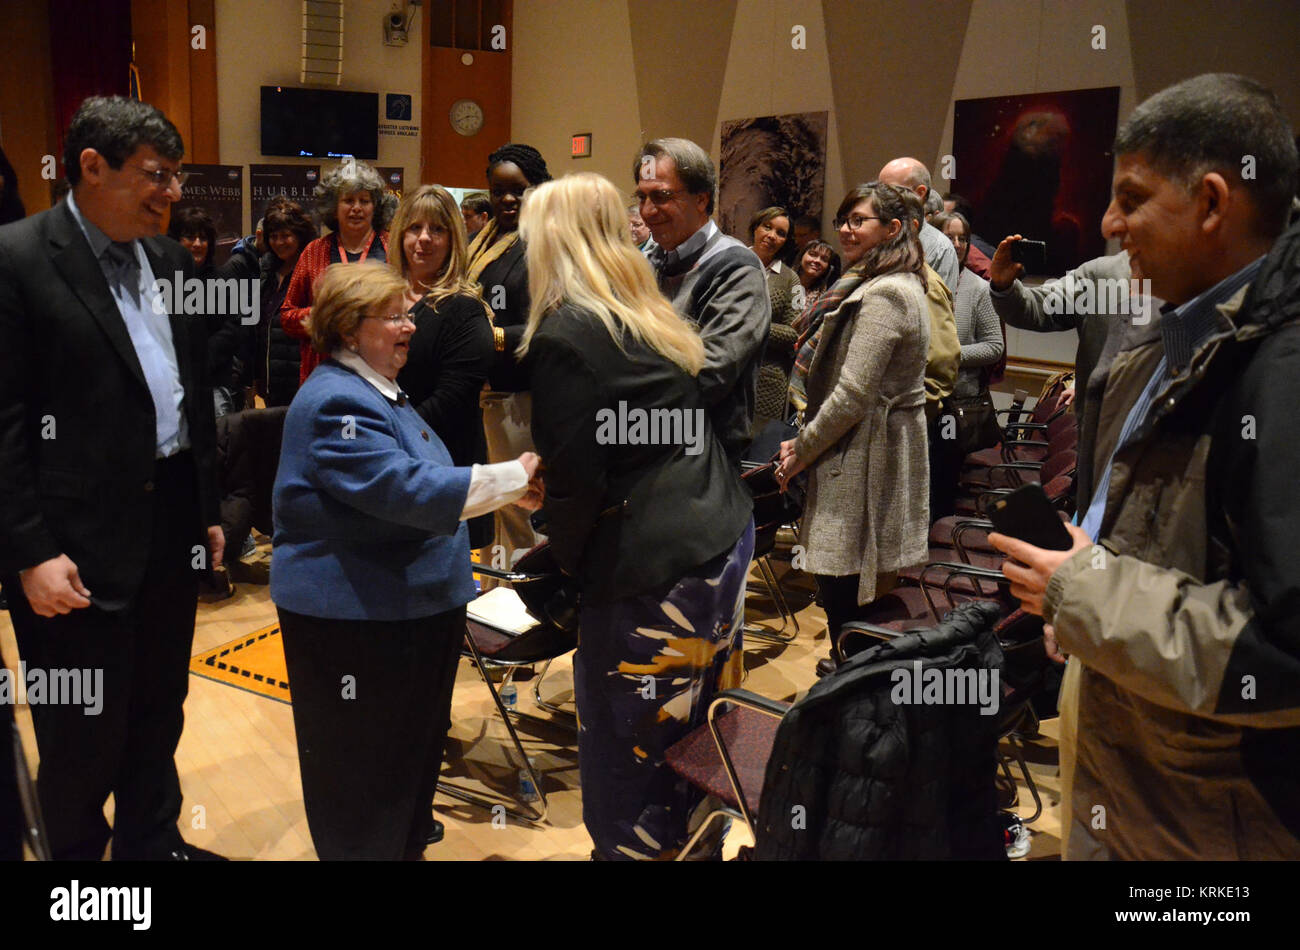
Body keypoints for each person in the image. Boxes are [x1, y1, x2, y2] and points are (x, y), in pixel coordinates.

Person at [988, 73, 1300, 860]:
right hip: (1129, 768)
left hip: (1212, 821)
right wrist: (1079, 591)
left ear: (1212, 203)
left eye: (1131, 197)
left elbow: (1287, 649)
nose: (1108, 221)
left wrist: (1085, 591)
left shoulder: (1283, 369)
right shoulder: (1161, 333)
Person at [0, 96, 224, 861]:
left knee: (159, 707)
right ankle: (77, 874)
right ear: (91, 167)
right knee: (83, 727)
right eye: (154, 176)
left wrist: (207, 509)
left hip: (166, 526)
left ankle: (150, 847)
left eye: (176, 176)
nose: (171, 194)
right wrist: (29, 552)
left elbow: (189, 387)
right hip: (72, 547)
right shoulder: (18, 258)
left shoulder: (167, 259)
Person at [518, 172, 753, 860]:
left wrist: (556, 539)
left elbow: (578, 485)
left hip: (651, 570)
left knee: (631, 755)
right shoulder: (644, 309)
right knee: (700, 732)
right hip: (717, 535)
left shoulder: (567, 333)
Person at [271, 261, 539, 860]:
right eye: (392, 316)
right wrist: (511, 478)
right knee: (362, 771)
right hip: (357, 622)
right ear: (347, 331)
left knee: (405, 759)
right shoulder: (337, 403)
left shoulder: (379, 390)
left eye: (408, 313)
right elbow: (405, 490)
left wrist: (506, 485)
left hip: (408, 610)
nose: (409, 327)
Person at [776, 182, 931, 670]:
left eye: (858, 220)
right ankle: (849, 679)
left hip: (864, 452)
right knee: (856, 591)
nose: (845, 228)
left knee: (848, 590)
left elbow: (852, 395)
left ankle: (849, 694)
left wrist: (802, 448)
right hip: (864, 444)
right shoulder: (886, 282)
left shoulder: (885, 292)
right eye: (843, 219)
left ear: (892, 228)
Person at [637, 137, 771, 467]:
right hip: (643, 446)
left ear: (702, 200)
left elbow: (709, 372)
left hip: (703, 460)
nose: (647, 211)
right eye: (641, 197)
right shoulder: (646, 260)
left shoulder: (737, 267)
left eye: (661, 197)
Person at [987, 235, 1137, 511]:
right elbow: (1036, 309)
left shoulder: (1208, 282)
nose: (1112, 224)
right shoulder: (1102, 276)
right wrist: (1005, 286)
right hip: (1098, 449)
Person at [390, 184, 496, 550]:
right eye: (414, 228)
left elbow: (452, 397)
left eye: (437, 230)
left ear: (454, 239)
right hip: (388, 458)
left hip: (441, 459)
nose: (424, 239)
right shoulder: (379, 295)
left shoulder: (464, 307)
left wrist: (393, 438)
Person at [467, 143, 552, 571]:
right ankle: (494, 604)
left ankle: (526, 615)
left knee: (521, 510)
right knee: (492, 506)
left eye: (517, 190)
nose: (507, 199)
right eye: (498, 190)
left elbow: (550, 328)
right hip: (484, 394)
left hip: (520, 398)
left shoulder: (543, 244)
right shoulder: (484, 240)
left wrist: (490, 337)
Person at [280, 160, 392, 386]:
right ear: (333, 206)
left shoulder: (394, 247)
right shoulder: (314, 251)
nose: (357, 208)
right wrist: (327, 316)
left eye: (365, 200)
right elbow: (287, 316)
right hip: (325, 374)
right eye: (348, 200)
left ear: (376, 206)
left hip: (382, 372)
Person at [251, 198, 317, 407]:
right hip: (270, 386)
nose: (279, 242)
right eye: (274, 236)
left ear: (299, 236)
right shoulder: (266, 272)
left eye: (286, 236)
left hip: (302, 384)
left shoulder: (311, 272)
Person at [932, 211, 1004, 401]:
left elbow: (994, 346)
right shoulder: (917, 280)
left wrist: (948, 355)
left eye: (962, 239)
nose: (957, 245)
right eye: (949, 238)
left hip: (960, 397)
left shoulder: (979, 287)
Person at [748, 206, 800, 430]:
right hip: (727, 367)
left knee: (756, 448)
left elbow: (793, 333)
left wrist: (751, 327)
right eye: (767, 227)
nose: (771, 236)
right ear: (756, 228)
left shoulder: (791, 279)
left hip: (767, 378)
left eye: (780, 233)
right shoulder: (731, 260)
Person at [878, 157, 961, 290]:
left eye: (889, 190)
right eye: (878, 190)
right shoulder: (876, 234)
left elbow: (938, 307)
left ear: (919, 193)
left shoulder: (940, 249)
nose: (879, 197)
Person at [787, 240, 843, 416]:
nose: (817, 261)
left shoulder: (826, 296)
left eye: (824, 259)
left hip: (803, 362)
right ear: (802, 254)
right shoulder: (787, 280)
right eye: (812, 254)